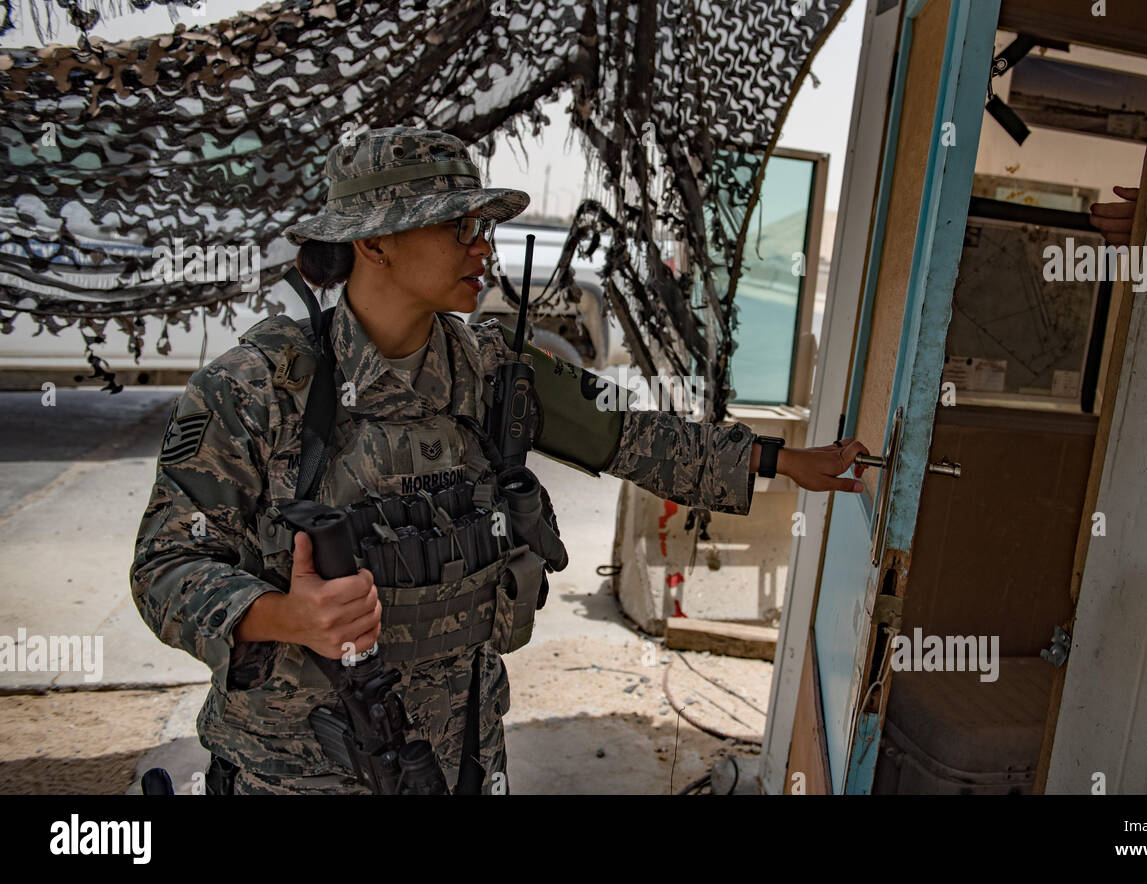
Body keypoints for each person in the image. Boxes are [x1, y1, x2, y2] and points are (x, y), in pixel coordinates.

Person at [130, 127, 872, 795]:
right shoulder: (255, 388)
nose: (482, 245)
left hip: (462, 755)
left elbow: (631, 435)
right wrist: (281, 615)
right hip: (302, 769)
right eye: (459, 226)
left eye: (483, 225)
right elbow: (165, 569)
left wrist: (783, 462)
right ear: (374, 241)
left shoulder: (489, 370)